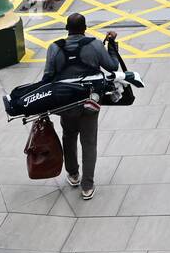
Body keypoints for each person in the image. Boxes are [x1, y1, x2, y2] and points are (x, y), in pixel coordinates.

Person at [45, 12, 119, 201]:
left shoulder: (54, 48)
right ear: (84, 28)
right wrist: (112, 45)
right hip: (89, 103)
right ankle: (87, 185)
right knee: (89, 142)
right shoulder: (94, 44)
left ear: (67, 29)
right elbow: (112, 66)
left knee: (68, 136)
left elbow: (47, 78)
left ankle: (73, 174)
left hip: (65, 103)